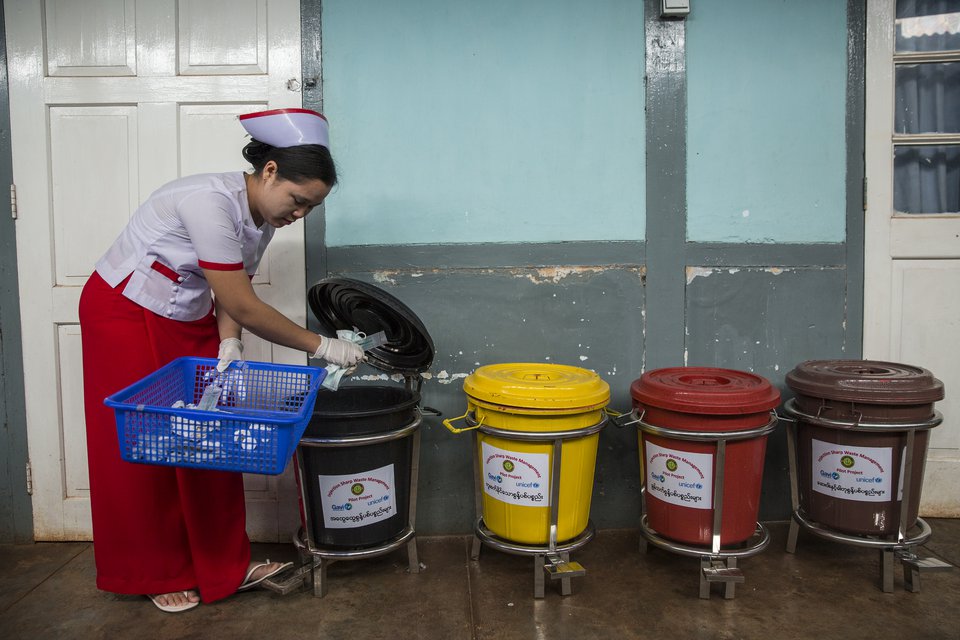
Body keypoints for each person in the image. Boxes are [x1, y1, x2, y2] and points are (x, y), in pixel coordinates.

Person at [79, 109, 363, 612]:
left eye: (309, 209)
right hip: (125, 313)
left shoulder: (263, 217)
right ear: (269, 170)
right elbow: (247, 305)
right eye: (298, 201)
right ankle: (156, 569)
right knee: (147, 438)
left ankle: (224, 564)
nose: (298, 215)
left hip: (185, 317)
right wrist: (321, 346)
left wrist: (226, 343)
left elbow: (233, 295)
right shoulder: (207, 201)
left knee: (209, 438)